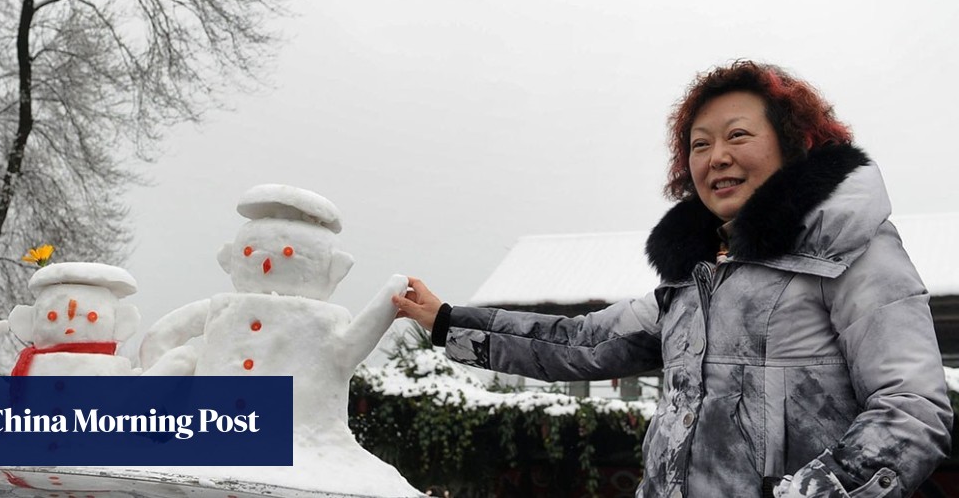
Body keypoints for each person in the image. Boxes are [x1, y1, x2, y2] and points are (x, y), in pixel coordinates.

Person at [393, 60, 953, 498]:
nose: (716, 158)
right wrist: (447, 323)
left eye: (738, 136)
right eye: (700, 144)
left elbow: (911, 406)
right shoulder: (695, 281)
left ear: (793, 143)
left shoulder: (852, 249)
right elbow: (585, 344)